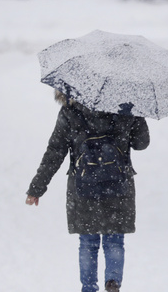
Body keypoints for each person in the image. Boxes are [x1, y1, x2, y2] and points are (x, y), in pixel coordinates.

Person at [27, 89, 150, 292]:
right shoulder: (126, 106)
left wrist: (37, 187)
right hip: (117, 184)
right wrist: (137, 114)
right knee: (114, 239)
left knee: (88, 242)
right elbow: (141, 144)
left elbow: (56, 150)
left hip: (84, 185)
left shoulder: (71, 110)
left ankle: (89, 288)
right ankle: (113, 282)